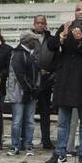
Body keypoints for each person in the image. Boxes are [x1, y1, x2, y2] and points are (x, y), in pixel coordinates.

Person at [44, 1, 82, 163]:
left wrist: (81, 40)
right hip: (65, 81)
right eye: (78, 9)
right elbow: (51, 46)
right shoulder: (66, 26)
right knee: (63, 122)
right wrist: (62, 36)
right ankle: (60, 154)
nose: (81, 12)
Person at [5, 32, 40, 155]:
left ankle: (28, 145)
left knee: (30, 120)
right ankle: (15, 146)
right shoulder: (18, 54)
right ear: (27, 41)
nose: (35, 43)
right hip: (19, 93)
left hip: (31, 93)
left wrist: (36, 87)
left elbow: (37, 73)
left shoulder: (32, 54)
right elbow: (19, 74)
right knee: (17, 121)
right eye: (33, 40)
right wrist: (30, 88)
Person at [31, 14, 54, 149]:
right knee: (29, 111)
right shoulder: (28, 38)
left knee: (45, 112)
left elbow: (56, 57)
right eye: (38, 23)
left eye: (42, 23)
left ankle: (46, 140)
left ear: (46, 24)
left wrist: (52, 73)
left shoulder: (51, 39)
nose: (40, 25)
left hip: (46, 79)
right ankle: (26, 140)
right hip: (32, 80)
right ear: (34, 24)